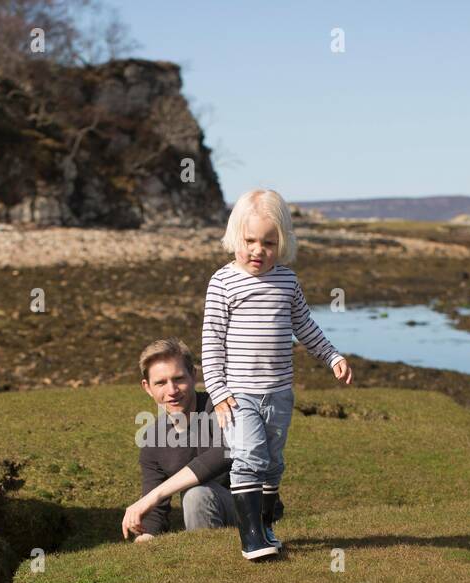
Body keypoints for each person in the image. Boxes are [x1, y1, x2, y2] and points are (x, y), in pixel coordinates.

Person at [201, 188, 353, 560]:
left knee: (272, 462)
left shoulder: (286, 282)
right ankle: (250, 536)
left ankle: (266, 525)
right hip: (240, 395)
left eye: (268, 243)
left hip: (280, 392)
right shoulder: (224, 282)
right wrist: (218, 392)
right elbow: (211, 341)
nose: (257, 250)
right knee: (249, 456)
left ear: (282, 242)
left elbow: (305, 325)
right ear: (235, 236)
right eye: (250, 241)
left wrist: (331, 355)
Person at [123, 337, 277, 541]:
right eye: (160, 383)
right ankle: (205, 560)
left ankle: (209, 562)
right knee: (193, 494)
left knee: (196, 494)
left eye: (178, 378)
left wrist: (153, 496)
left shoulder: (222, 405)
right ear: (147, 387)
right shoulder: (152, 439)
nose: (171, 391)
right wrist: (145, 537)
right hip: (213, 515)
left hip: (255, 510)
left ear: (193, 375)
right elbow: (155, 514)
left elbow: (225, 451)